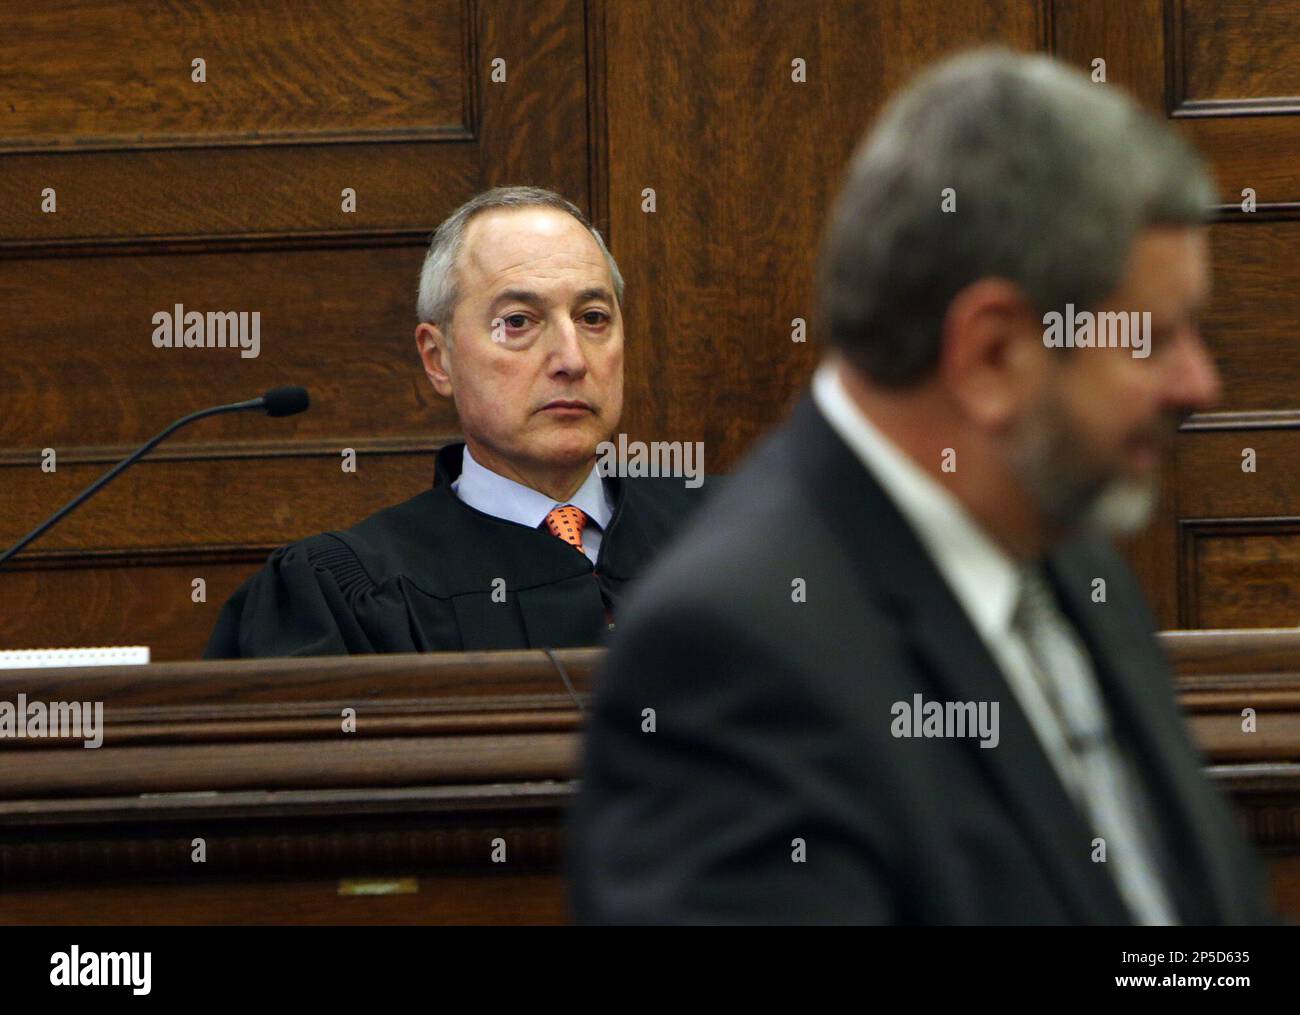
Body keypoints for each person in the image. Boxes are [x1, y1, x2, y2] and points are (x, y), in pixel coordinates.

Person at [570, 49, 1274, 924]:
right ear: (993, 355)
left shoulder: (1071, 560)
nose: (1199, 383)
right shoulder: (731, 653)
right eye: (1153, 339)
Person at [206, 187, 705, 657]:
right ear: (438, 358)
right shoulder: (342, 592)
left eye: (593, 318)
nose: (571, 359)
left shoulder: (732, 533)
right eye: (517, 322)